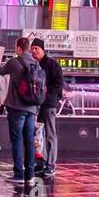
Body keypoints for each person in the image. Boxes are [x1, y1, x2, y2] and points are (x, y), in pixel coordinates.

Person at [0, 37, 43, 191]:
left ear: (18, 48)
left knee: (17, 140)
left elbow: (0, 71)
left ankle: (18, 174)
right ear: (29, 48)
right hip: (31, 108)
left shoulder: (14, 62)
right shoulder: (36, 63)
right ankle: (30, 175)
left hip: (16, 107)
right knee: (29, 141)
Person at [31, 38, 63, 178]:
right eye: (32, 49)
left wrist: (48, 96)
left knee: (50, 134)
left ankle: (50, 164)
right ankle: (40, 162)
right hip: (34, 105)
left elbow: (58, 84)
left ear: (43, 50)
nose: (34, 51)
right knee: (37, 135)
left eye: (37, 49)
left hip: (48, 105)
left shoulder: (52, 64)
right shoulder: (31, 64)